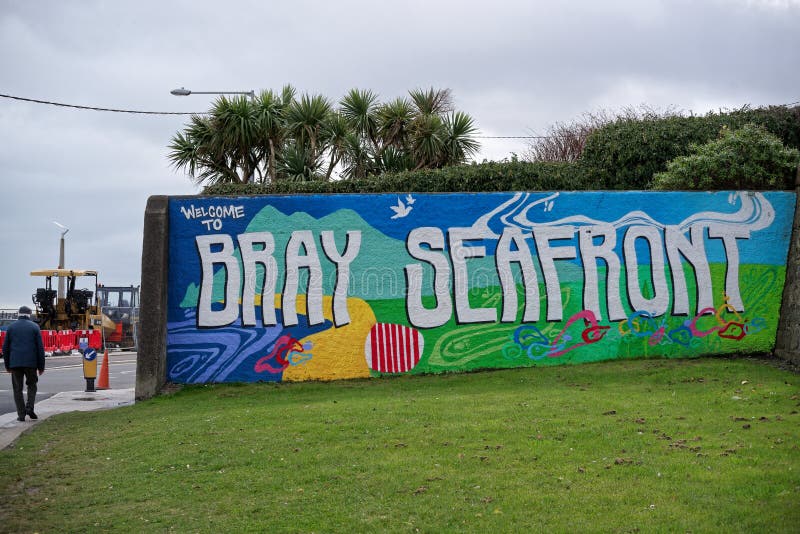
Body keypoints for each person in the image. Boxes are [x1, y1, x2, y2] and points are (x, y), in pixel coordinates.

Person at [2, 306, 45, 422]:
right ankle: (30, 407)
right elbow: (40, 348)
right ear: (29, 314)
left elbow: (5, 348)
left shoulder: (11, 327)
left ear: (18, 314)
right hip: (31, 363)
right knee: (32, 385)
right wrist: (41, 366)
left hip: (15, 363)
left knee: (17, 389)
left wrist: (7, 365)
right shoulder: (34, 327)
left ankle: (21, 414)